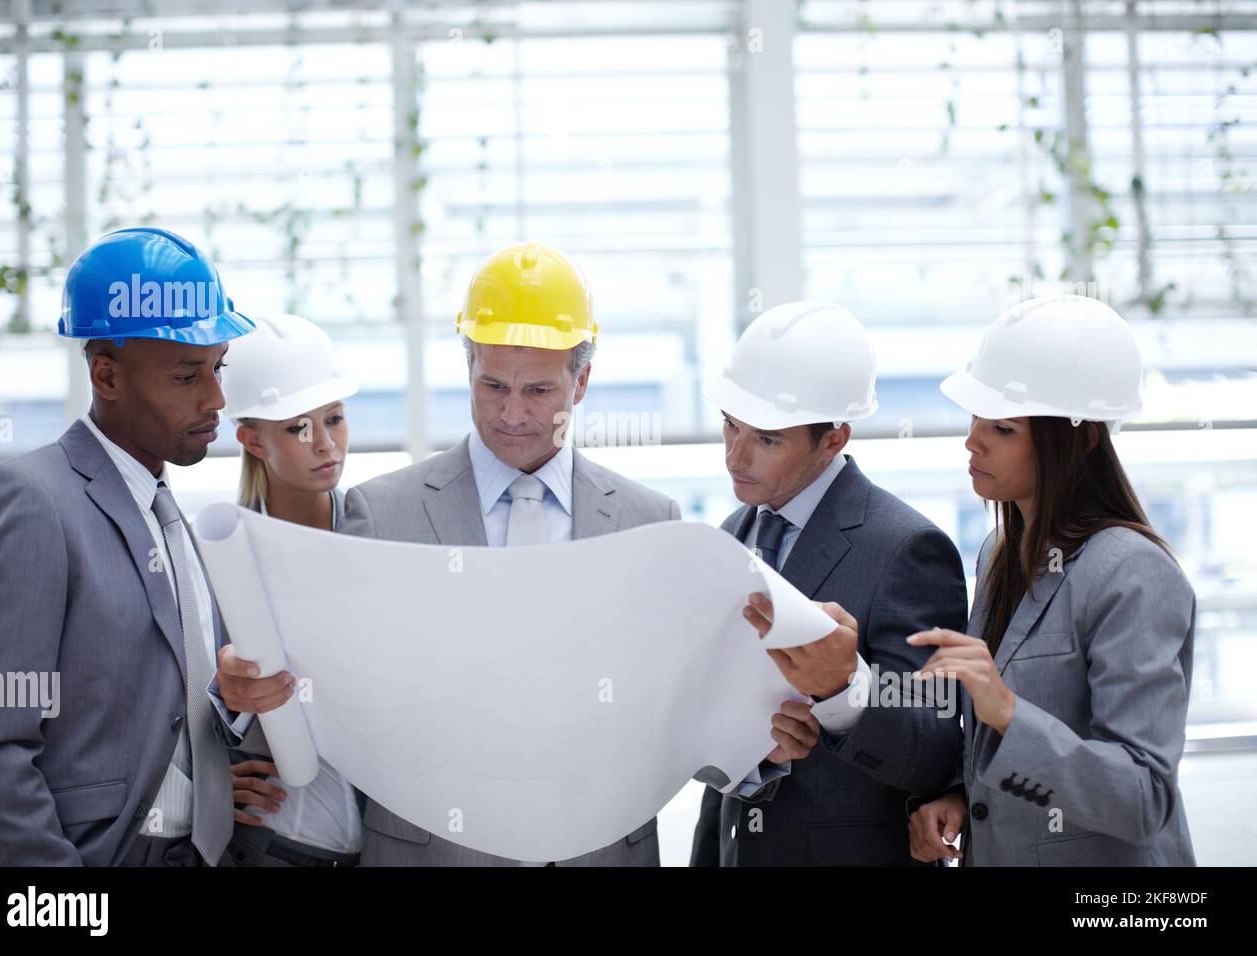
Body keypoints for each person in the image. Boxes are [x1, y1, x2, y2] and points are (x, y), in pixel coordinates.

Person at [215, 240, 820, 866]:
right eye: (493, 385)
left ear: (581, 381)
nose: (511, 414)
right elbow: (326, 702)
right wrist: (248, 697)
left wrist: (758, 750)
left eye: (537, 391)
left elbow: (682, 718)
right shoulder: (377, 515)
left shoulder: (651, 525)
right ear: (468, 366)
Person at [0, 227, 253, 865]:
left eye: (218, 368)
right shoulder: (31, 502)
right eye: (186, 375)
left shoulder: (177, 521)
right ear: (106, 375)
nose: (216, 399)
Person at [907, 294, 1196, 866]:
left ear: (1077, 439)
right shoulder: (1000, 554)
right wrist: (962, 796)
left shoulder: (1132, 572)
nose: (972, 441)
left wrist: (1006, 709)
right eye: (975, 419)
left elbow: (1142, 798)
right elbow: (1013, 757)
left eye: (1003, 428)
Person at [691, 301, 967, 867]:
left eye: (767, 439)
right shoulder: (730, 535)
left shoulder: (908, 549)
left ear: (834, 439)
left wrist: (843, 692)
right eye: (731, 425)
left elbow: (936, 750)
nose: (735, 456)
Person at [210, 312, 365, 867]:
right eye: (298, 427)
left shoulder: (382, 539)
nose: (326, 444)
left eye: (336, 419)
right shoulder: (217, 560)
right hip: (269, 846)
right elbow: (170, 704)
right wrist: (208, 782)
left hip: (380, 842)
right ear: (251, 440)